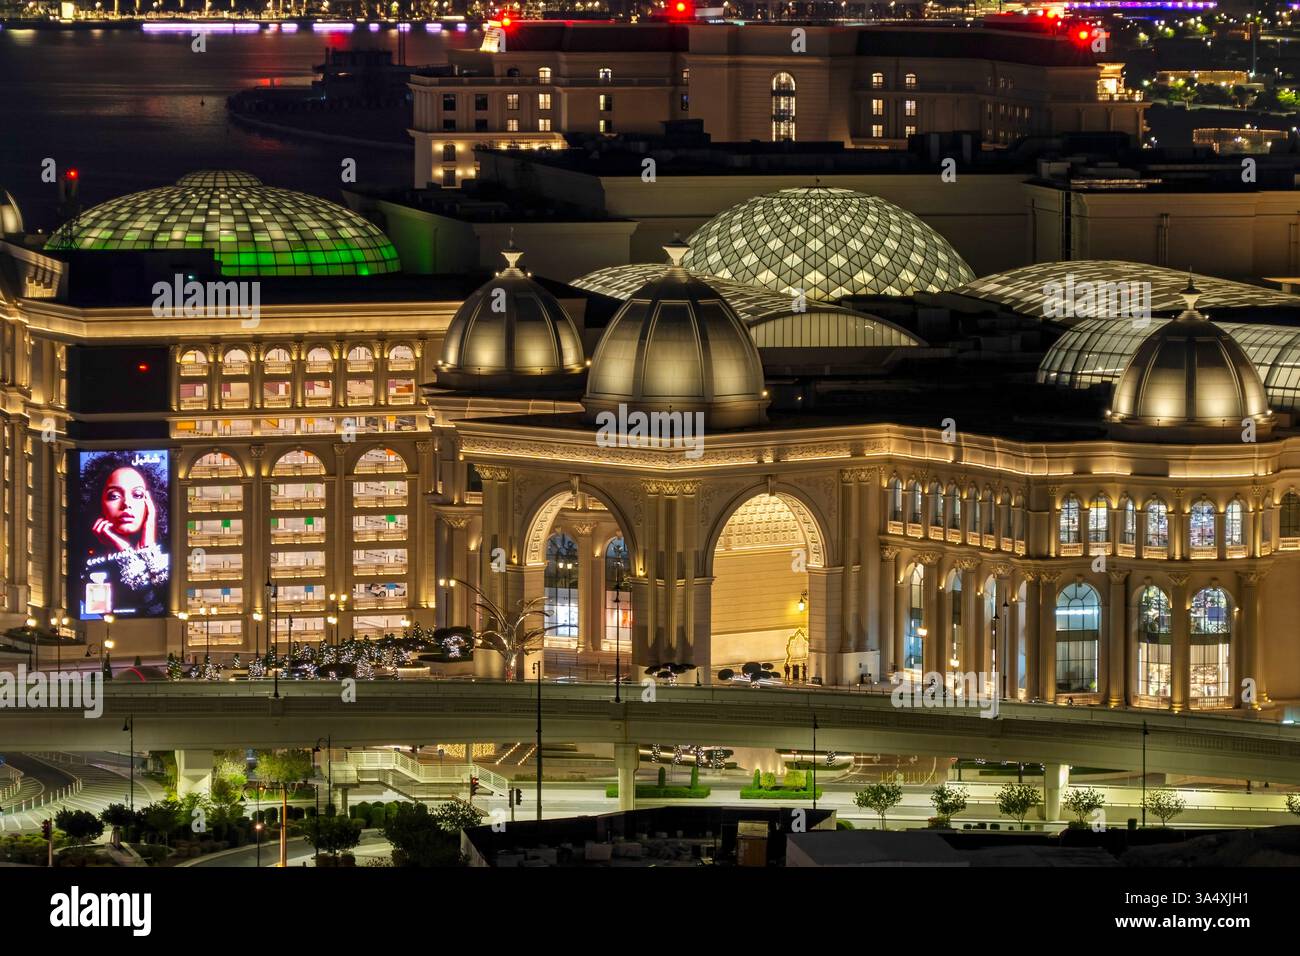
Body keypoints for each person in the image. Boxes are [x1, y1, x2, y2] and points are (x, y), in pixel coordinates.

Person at [78, 451, 169, 618]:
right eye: (114, 496)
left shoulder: (168, 550)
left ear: (150, 502)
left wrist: (148, 547)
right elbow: (146, 614)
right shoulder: (87, 567)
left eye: (137, 495)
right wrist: (125, 552)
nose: (126, 504)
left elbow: (167, 610)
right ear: (98, 503)